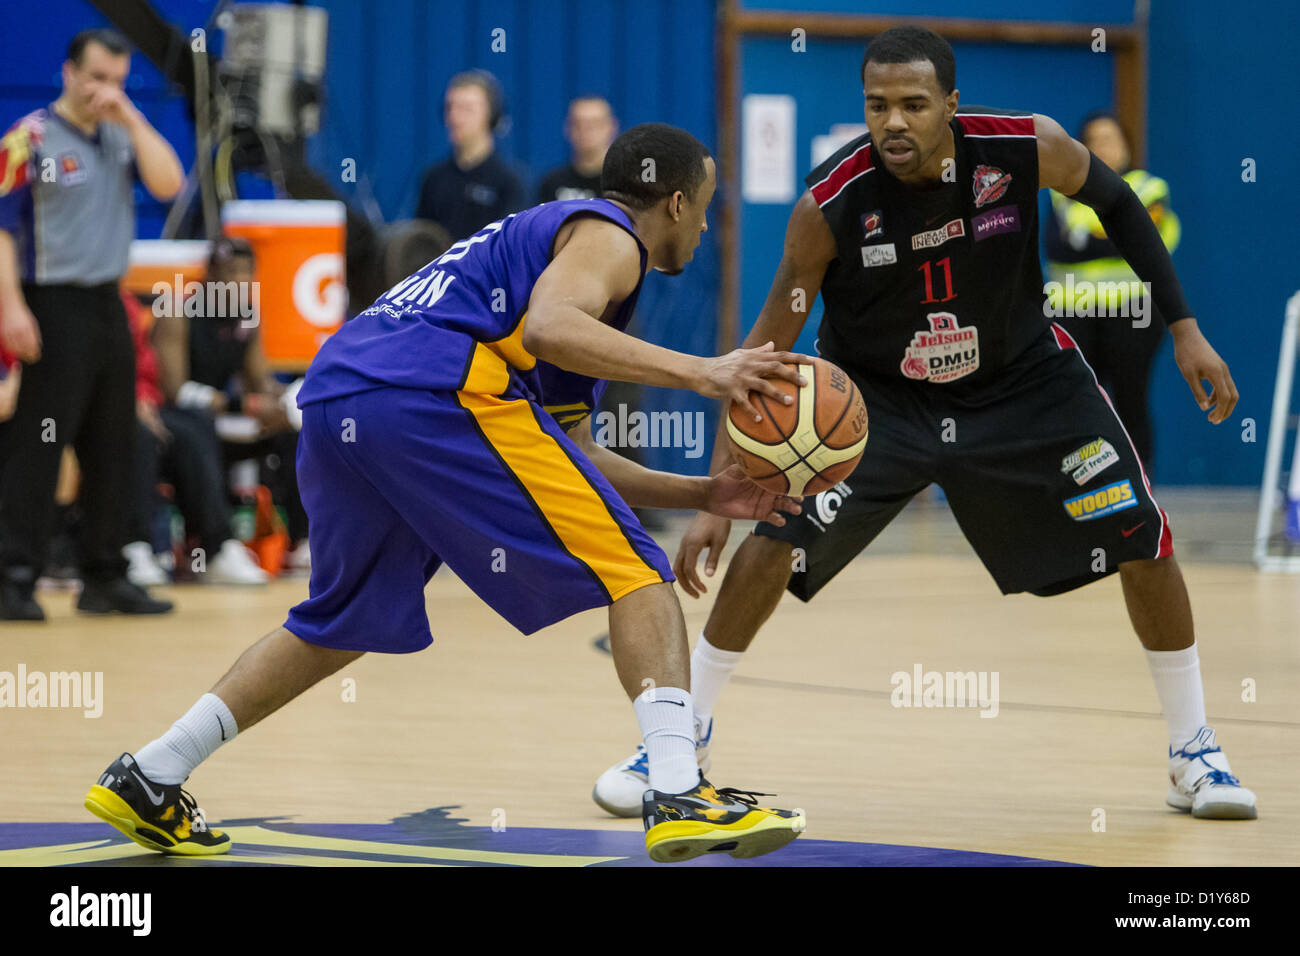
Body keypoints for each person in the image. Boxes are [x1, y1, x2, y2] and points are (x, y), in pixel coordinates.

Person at [84, 123, 811, 864]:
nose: (707, 228)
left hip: (343, 399)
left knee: (340, 621)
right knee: (637, 570)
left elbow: (570, 453)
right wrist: (704, 372)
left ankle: (152, 773)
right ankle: (680, 788)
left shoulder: (546, 248)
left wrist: (702, 492)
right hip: (433, 394)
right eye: (710, 207)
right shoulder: (612, 236)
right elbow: (553, 327)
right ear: (680, 203)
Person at [593, 27, 1256, 824]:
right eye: (877, 106)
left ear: (950, 102)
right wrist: (716, 492)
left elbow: (1114, 201)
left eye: (913, 103)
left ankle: (1193, 751)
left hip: (1024, 382)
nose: (894, 122)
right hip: (875, 405)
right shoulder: (831, 205)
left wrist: (1183, 327)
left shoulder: (1023, 147)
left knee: (1142, 535)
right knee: (771, 540)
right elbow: (768, 345)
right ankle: (679, 745)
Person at [0, 28, 180, 620]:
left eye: (119, 81)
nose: (107, 91)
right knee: (40, 443)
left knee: (113, 443)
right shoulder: (29, 140)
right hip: (51, 304)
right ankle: (13, 577)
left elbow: (169, 183)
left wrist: (130, 117)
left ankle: (104, 575)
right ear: (69, 73)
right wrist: (11, 308)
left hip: (110, 304)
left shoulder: (120, 136)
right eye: (98, 77)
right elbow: (2, 231)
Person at [152, 236, 309, 572]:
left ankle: (303, 540)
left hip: (223, 420)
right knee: (197, 423)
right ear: (209, 275)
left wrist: (289, 400)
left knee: (294, 427)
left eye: (245, 272)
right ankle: (217, 547)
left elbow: (260, 381)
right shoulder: (177, 312)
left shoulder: (249, 316)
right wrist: (244, 406)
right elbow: (175, 391)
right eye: (229, 271)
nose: (237, 280)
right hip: (178, 421)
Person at [1045, 110, 1180, 470]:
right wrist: (1117, 236)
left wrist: (1091, 237)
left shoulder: (1150, 187)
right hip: (1073, 314)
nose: (1105, 147)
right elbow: (1059, 247)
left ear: (1126, 145)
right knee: (1080, 403)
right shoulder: (1063, 190)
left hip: (1133, 315)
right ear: (1082, 148)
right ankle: (1083, 487)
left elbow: (1145, 240)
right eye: (1096, 140)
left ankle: (1140, 486)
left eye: (1112, 139)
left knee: (1131, 401)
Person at [122, 286, 269, 587]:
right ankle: (133, 547)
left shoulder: (123, 304)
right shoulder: (176, 314)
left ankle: (215, 548)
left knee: (196, 425)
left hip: (153, 406)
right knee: (141, 434)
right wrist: (132, 400)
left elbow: (145, 372)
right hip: (116, 406)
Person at [415, 71, 525, 241]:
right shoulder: (433, 178)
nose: (454, 117)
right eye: (450, 107)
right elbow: (422, 242)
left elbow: (511, 247)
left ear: (492, 116)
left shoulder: (510, 181)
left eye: (467, 109)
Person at [537, 96, 618, 203]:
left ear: (611, 127)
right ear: (567, 128)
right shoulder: (552, 183)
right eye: (578, 124)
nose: (585, 130)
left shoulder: (624, 186)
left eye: (595, 124)